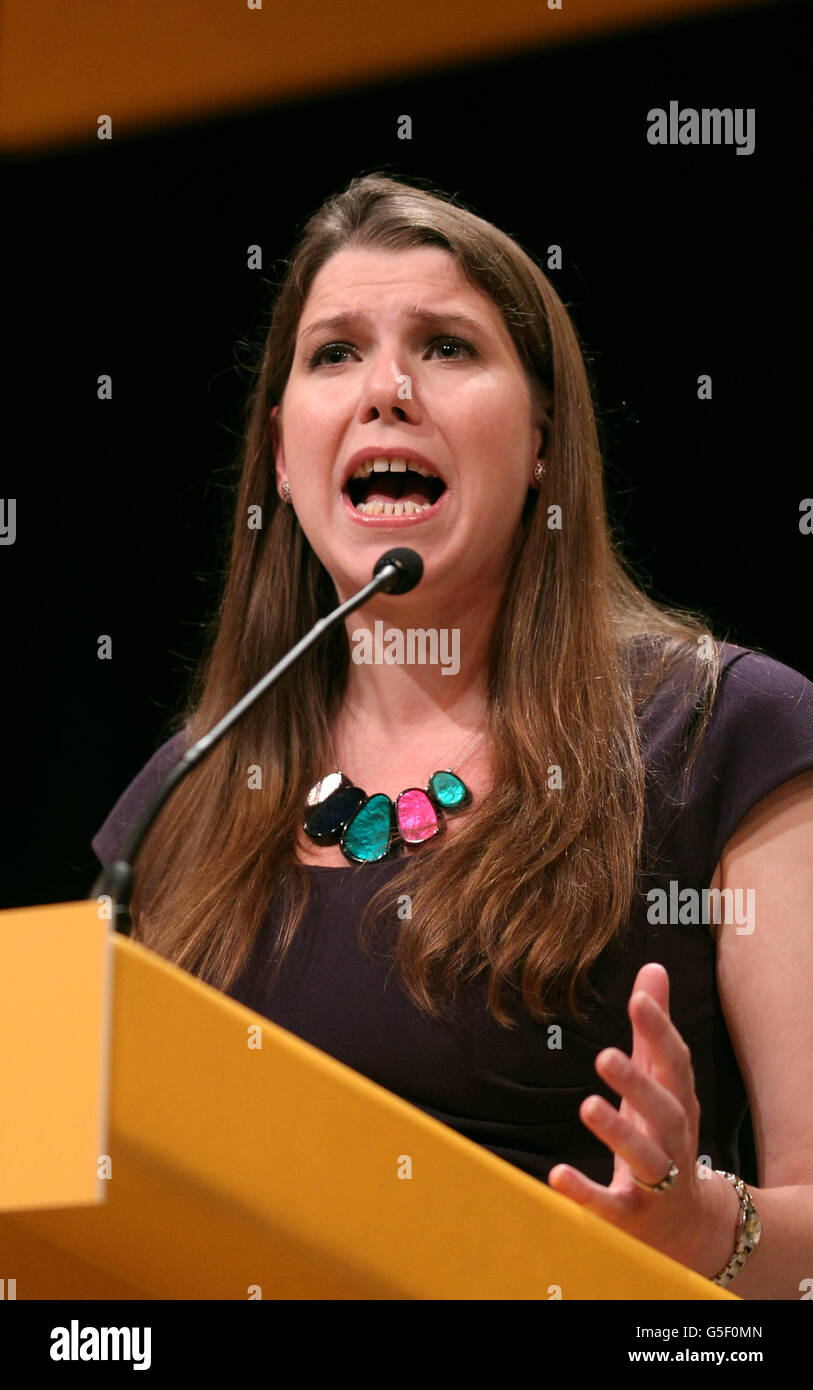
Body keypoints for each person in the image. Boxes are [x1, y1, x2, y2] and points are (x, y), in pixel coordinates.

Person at [91, 173, 813, 1298]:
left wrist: (708, 1225)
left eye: (446, 346)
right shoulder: (181, 800)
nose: (385, 388)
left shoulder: (725, 733)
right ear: (282, 457)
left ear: (540, 445)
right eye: (333, 353)